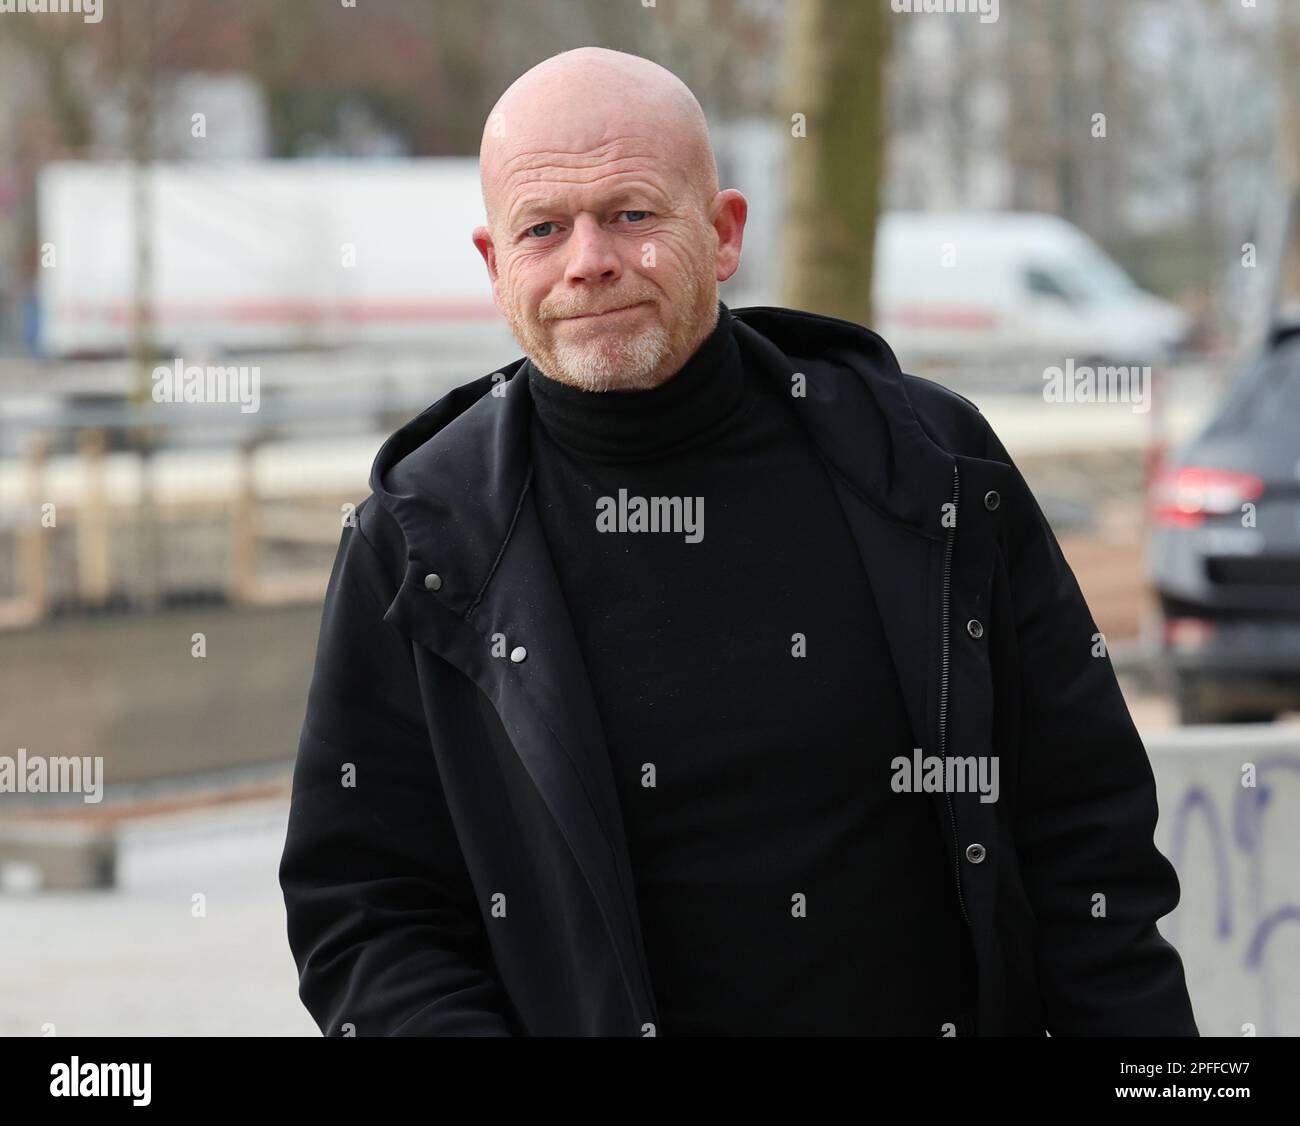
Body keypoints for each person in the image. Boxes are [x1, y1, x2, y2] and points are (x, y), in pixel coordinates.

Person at [278, 46, 1198, 1037]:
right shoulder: (419, 541)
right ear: (497, 266)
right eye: (543, 229)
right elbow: (366, 912)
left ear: (723, 233)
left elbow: (1085, 834)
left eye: (632, 214)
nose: (589, 258)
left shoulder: (928, 466)